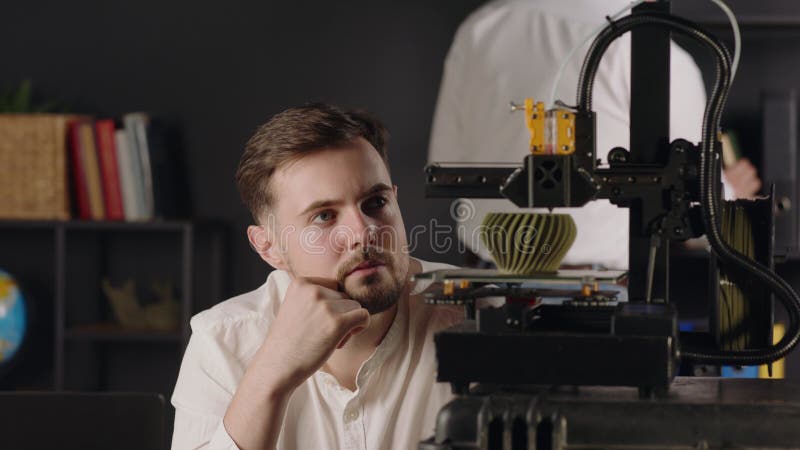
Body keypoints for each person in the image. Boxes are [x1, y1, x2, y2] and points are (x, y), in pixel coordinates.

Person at [171, 103, 462, 449]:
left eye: (375, 203)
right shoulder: (222, 343)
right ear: (269, 247)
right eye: (324, 216)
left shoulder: (481, 312)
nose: (363, 233)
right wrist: (272, 374)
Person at [429, 0, 761, 270]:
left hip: (487, 291)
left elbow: (445, 168)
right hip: (608, 300)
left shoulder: (479, 30)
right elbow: (697, 212)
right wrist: (730, 191)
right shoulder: (656, 56)